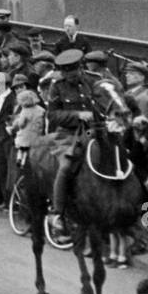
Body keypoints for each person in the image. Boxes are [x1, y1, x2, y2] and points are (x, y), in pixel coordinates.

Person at [46, 48, 97, 234]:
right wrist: (77, 115)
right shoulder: (57, 86)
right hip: (67, 135)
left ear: (79, 68)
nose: (70, 76)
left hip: (92, 132)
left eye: (73, 71)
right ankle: (57, 212)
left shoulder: (91, 81)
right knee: (66, 166)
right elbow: (52, 115)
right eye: (66, 72)